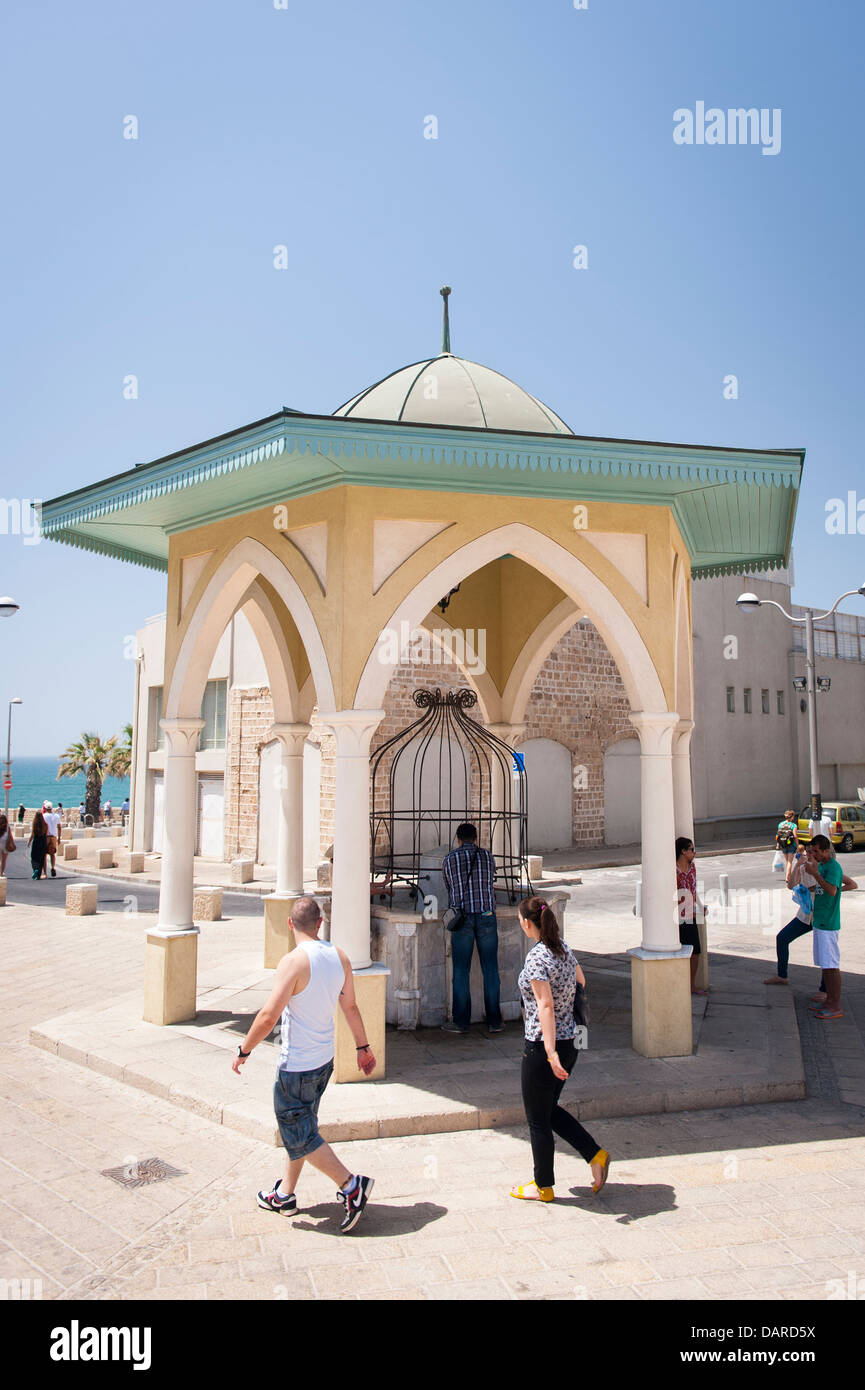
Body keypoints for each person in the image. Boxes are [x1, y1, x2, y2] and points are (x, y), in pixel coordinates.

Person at [232, 896, 377, 1232]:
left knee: (298, 1131)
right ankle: (286, 1193)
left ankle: (351, 1186)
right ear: (320, 923)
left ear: (289, 924)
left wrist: (244, 1050)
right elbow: (351, 1008)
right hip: (324, 1061)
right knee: (302, 1127)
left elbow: (268, 1016)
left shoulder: (294, 962)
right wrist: (362, 1047)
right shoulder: (339, 956)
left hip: (297, 1064)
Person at [510, 896, 609, 1201]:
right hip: (571, 1042)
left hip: (543, 1047)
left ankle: (543, 1186)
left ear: (528, 924)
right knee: (548, 1111)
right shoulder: (563, 948)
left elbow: (545, 1005)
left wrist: (550, 1053)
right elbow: (581, 981)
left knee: (537, 1119)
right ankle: (595, 1155)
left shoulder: (537, 957)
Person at [441, 822, 502, 1035]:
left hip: (463, 917)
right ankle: (495, 1020)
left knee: (460, 971)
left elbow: (449, 887)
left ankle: (461, 1021)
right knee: (491, 969)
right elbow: (491, 879)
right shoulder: (487, 857)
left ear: (458, 838)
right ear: (476, 838)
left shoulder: (449, 859)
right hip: (486, 915)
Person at [764, 849, 857, 987]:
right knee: (782, 938)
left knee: (825, 953)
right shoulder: (803, 868)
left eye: (812, 853)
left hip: (823, 917)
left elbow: (852, 884)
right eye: (808, 853)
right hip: (806, 915)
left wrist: (831, 891)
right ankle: (782, 975)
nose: (809, 855)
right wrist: (797, 865)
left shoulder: (827, 870)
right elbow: (790, 885)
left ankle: (824, 990)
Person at [802, 835, 844, 1020]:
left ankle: (835, 1005)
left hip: (828, 923)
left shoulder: (832, 867)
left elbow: (833, 890)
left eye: (817, 851)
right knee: (825, 966)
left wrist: (815, 874)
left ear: (827, 850)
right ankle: (828, 1001)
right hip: (820, 921)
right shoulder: (823, 866)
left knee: (832, 966)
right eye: (812, 851)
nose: (814, 855)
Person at [675, 837, 708, 995]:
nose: (694, 853)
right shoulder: (673, 869)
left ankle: (691, 985)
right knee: (679, 951)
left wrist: (700, 907)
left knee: (695, 952)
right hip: (676, 916)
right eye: (692, 850)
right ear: (683, 851)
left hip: (690, 915)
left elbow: (694, 889)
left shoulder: (692, 867)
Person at [42, 801, 62, 878]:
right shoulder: (56, 816)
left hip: (46, 837)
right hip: (54, 837)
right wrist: (59, 838)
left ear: (45, 808)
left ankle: (45, 873)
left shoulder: (44, 816)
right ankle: (53, 867)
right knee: (52, 853)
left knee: (44, 855)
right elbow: (59, 827)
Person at [28, 810, 48, 880]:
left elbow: (32, 834)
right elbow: (46, 834)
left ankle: (35, 869)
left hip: (36, 841)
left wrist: (29, 842)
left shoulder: (35, 824)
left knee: (34, 857)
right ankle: (38, 874)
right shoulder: (45, 824)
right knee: (41, 858)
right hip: (43, 842)